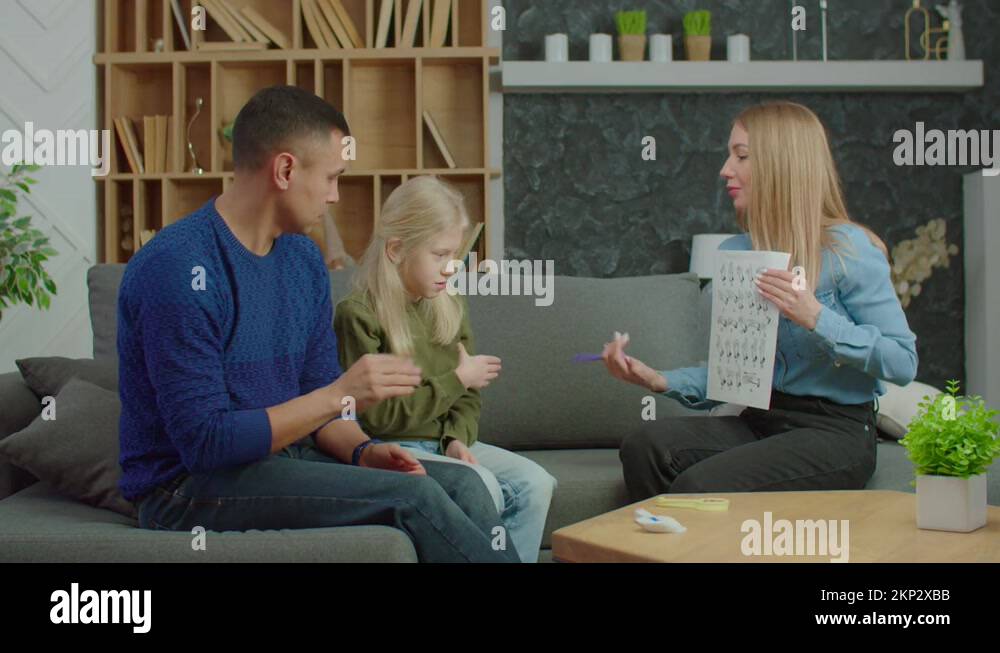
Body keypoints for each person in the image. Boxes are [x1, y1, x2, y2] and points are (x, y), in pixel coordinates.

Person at [117, 85, 518, 563]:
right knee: (416, 498)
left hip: (287, 459)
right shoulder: (179, 267)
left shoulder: (302, 259)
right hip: (185, 488)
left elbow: (320, 396)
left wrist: (363, 451)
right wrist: (340, 393)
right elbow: (207, 444)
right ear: (285, 170)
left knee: (464, 484)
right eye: (332, 177)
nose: (334, 196)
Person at [605, 101, 918, 502]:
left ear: (779, 166)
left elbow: (902, 362)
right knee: (645, 446)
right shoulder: (739, 252)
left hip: (835, 432)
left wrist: (817, 318)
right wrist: (660, 380)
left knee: (699, 488)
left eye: (741, 156)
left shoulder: (849, 251)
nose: (725, 169)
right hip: (762, 419)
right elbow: (735, 374)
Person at [334, 176, 557, 562]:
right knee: (481, 483)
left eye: (455, 255)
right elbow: (382, 418)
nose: (450, 268)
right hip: (394, 448)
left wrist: (456, 438)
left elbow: (469, 397)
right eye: (439, 255)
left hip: (446, 443)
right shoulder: (359, 315)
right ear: (396, 249)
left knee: (537, 482)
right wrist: (455, 380)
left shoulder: (449, 304)